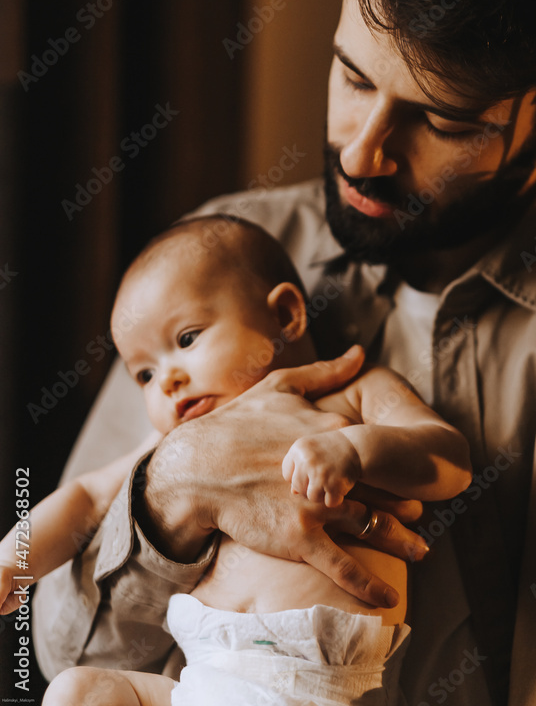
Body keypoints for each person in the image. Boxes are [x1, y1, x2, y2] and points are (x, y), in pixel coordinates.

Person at [34, 0, 536, 706]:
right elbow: (52, 650)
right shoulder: (208, 271)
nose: (363, 152)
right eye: (352, 76)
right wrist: (173, 492)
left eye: (442, 121)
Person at [4, 215, 471, 705]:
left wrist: (355, 449)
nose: (167, 380)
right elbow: (86, 496)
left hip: (319, 684)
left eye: (187, 339)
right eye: (144, 374)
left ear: (286, 315)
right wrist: (13, 560)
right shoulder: (178, 444)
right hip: (205, 676)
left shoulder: (353, 393)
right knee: (76, 690)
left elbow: (450, 458)